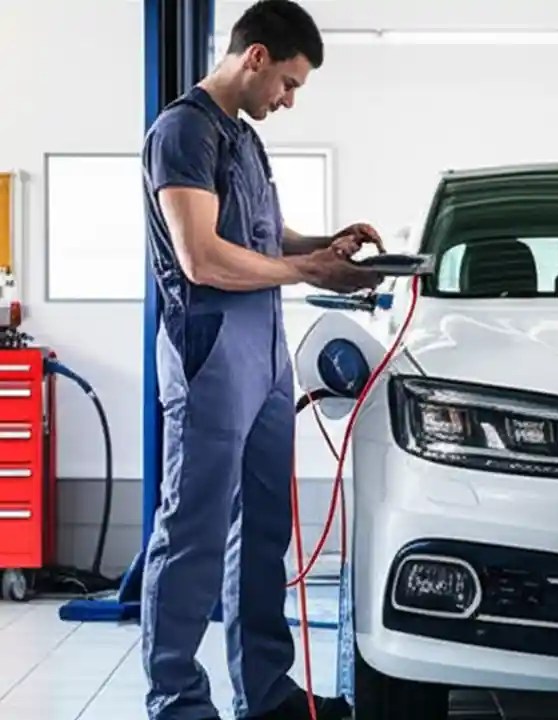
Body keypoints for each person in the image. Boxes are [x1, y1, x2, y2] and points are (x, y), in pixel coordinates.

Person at [139, 2, 383, 718]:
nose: (288, 99)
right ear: (256, 57)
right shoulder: (182, 131)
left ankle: (267, 693)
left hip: (267, 356)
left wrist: (322, 246)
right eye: (289, 82)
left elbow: (263, 236)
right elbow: (203, 256)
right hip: (211, 354)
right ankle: (178, 701)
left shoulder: (243, 141)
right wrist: (310, 274)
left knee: (264, 531)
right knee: (193, 535)